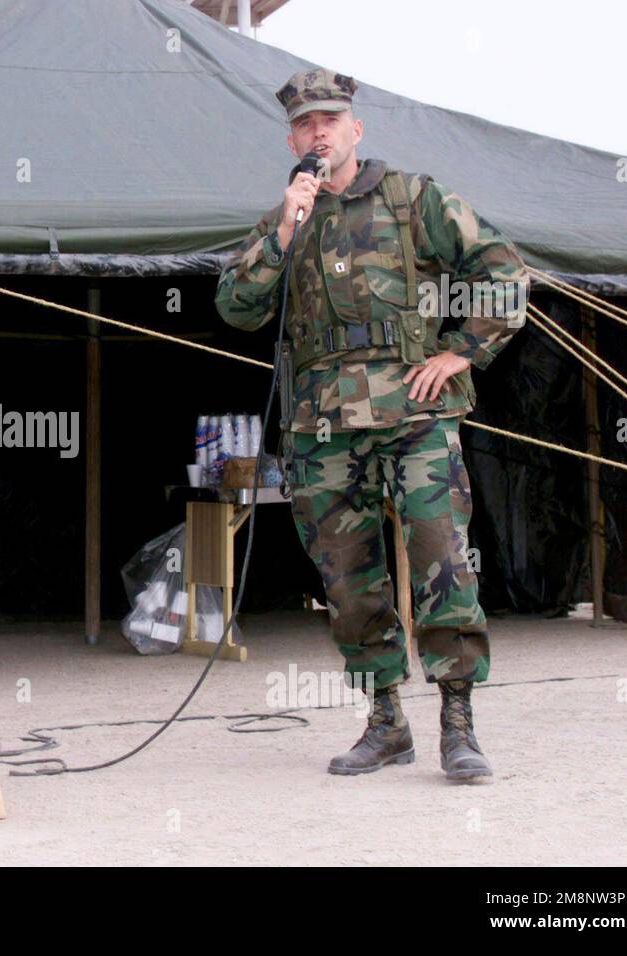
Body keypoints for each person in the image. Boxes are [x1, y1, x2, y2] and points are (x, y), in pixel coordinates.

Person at [215, 67, 527, 781]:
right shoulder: (283, 221)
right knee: (347, 579)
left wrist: (461, 350)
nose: (317, 132)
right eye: (304, 124)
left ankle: (458, 721)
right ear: (291, 137)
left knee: (441, 559)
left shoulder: (412, 198)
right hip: (323, 429)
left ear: (356, 128)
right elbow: (237, 307)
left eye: (329, 120)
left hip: (416, 416)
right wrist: (285, 227)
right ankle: (386, 722)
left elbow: (505, 268)